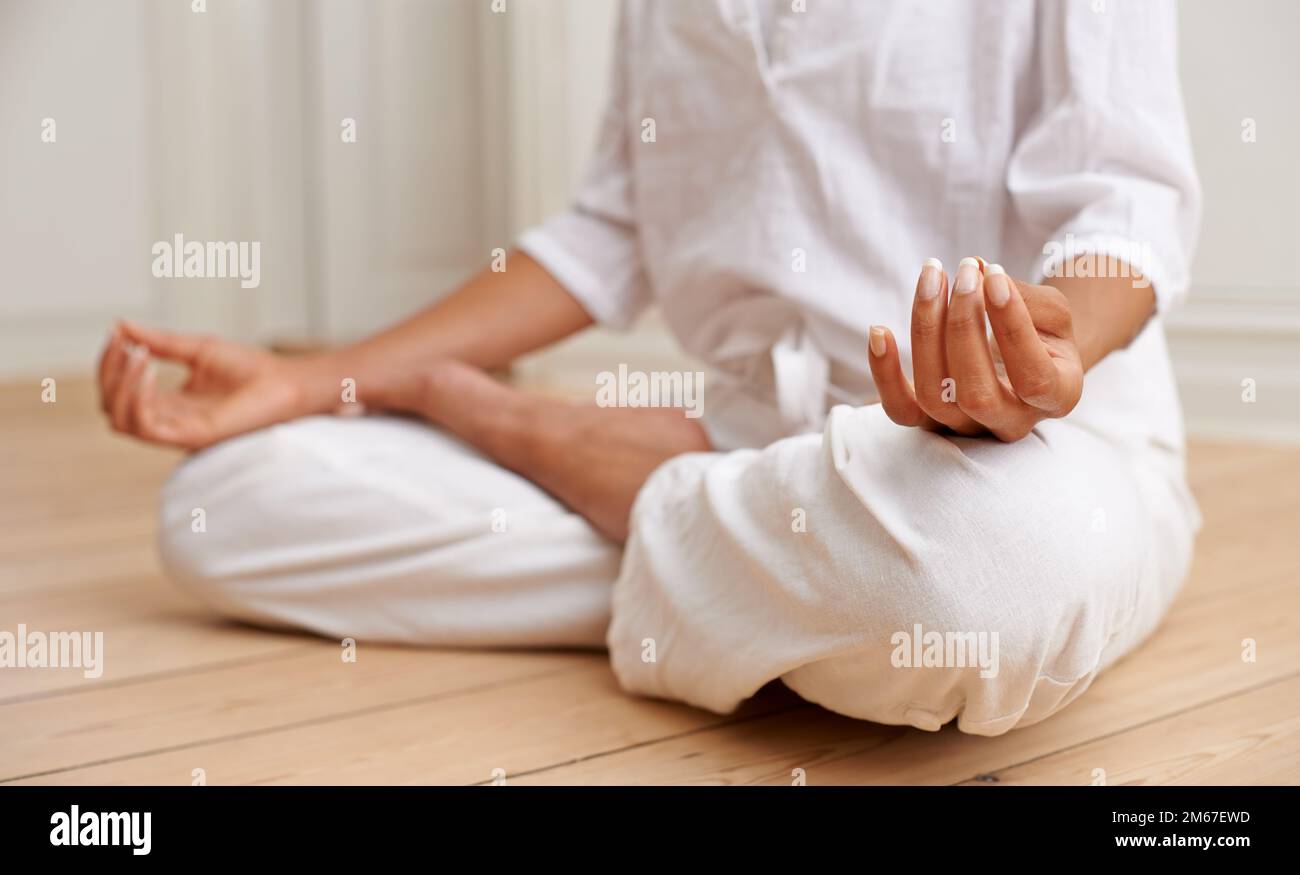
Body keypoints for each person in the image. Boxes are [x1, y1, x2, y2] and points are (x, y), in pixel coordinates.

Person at [97, 0, 1200, 735]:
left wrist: (1049, 355)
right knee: (224, 503)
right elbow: (608, 233)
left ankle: (585, 461)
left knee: (983, 584)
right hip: (754, 443)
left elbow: (1124, 200)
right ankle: (777, 565)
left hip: (1031, 452)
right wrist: (317, 379)